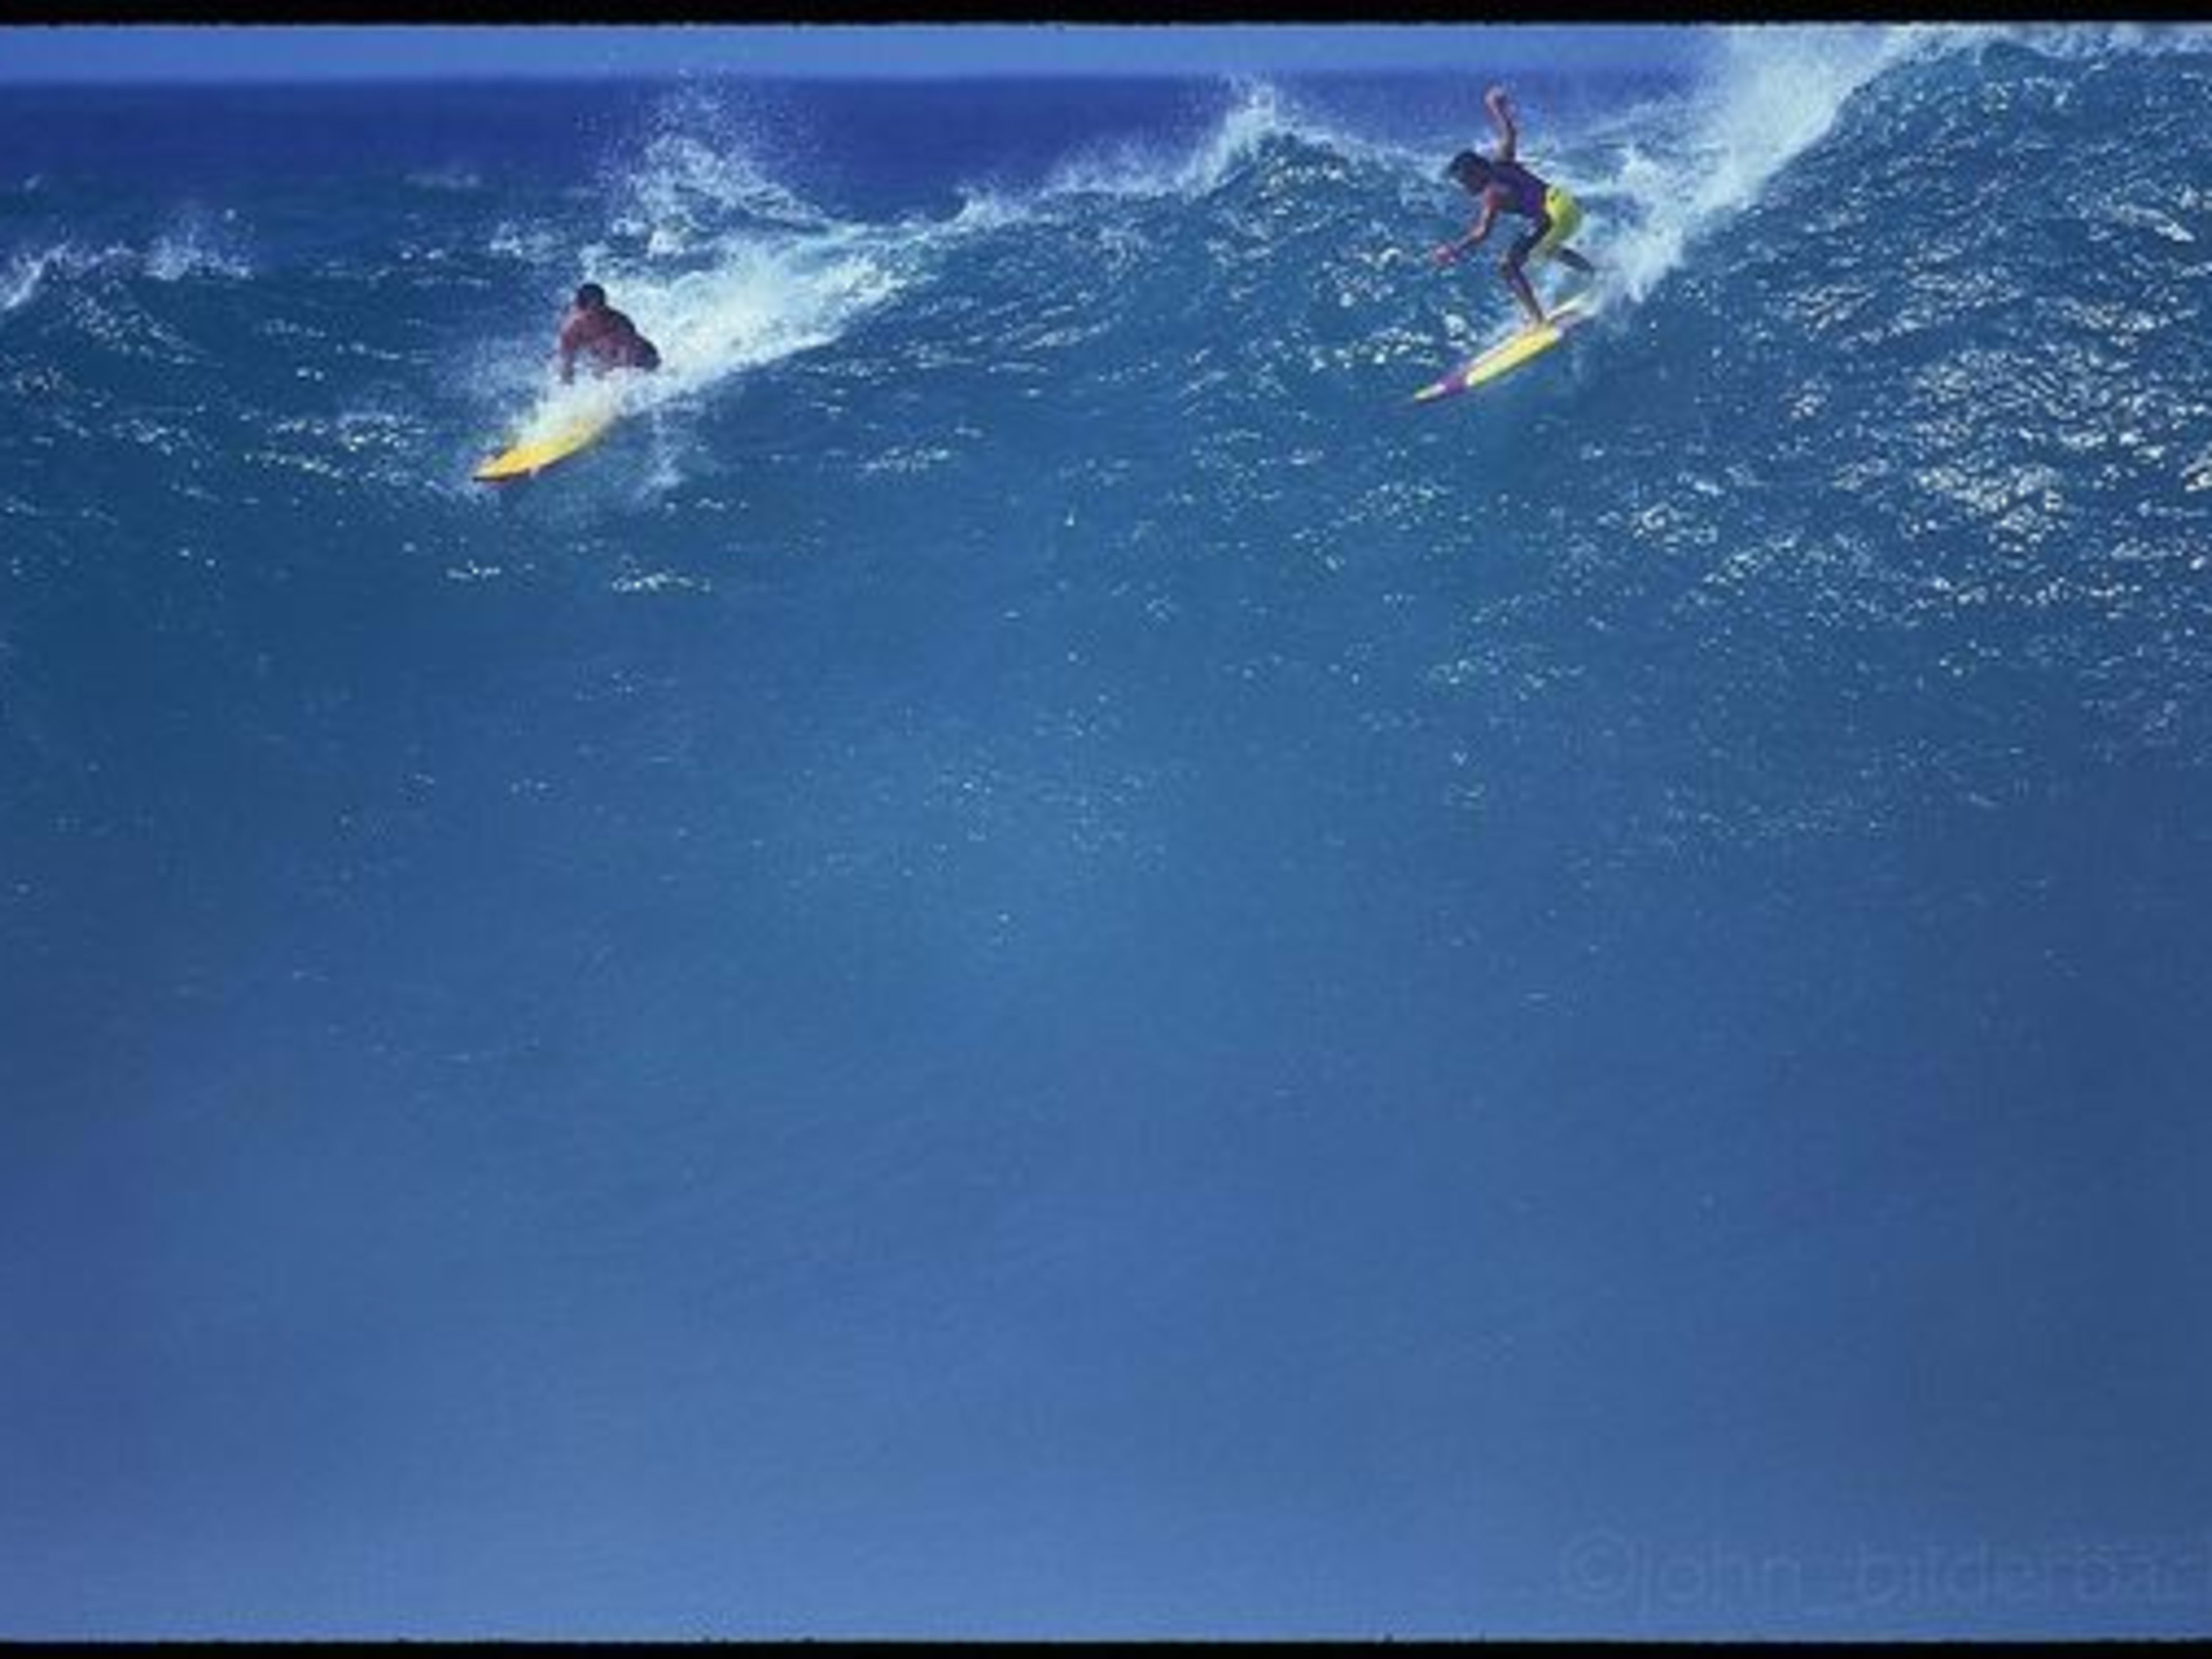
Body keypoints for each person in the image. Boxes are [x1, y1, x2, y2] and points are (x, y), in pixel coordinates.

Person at [1430, 86, 1594, 331]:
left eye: (1465, 181)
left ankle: (1539, 322)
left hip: (1554, 215)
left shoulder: (1491, 193)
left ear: (1476, 174)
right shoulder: (1502, 161)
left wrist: (1453, 250)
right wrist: (1497, 108)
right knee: (1545, 248)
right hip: (1568, 205)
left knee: (1508, 266)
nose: (1465, 187)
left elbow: (1482, 233)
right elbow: (1510, 133)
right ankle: (1594, 272)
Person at [556, 282, 661, 384]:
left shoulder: (618, 322)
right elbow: (566, 365)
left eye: (602, 306)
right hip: (609, 354)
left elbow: (629, 356)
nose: (600, 313)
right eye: (595, 310)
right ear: (582, 310)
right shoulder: (572, 331)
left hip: (644, 355)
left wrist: (611, 372)